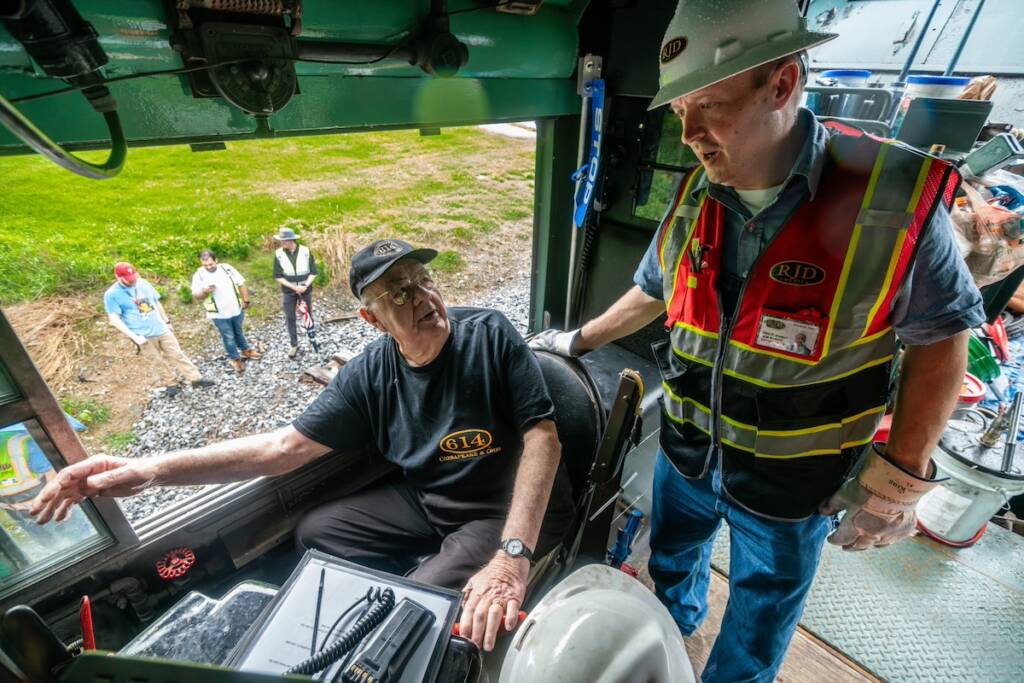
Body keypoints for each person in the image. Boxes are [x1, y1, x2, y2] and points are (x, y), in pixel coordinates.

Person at [530, 1, 985, 680]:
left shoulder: (888, 196)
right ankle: (670, 628)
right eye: (680, 111)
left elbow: (940, 340)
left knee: (761, 611)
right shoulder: (693, 196)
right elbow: (655, 289)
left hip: (792, 485)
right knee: (672, 563)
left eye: (707, 106)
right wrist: (576, 340)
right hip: (685, 455)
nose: (687, 134)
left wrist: (898, 480)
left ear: (780, 83)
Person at [31, 239, 574, 654]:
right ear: (372, 319)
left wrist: (512, 557)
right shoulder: (371, 374)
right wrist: (149, 470)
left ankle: (419, 612)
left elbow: (542, 438)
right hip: (433, 502)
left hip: (505, 514)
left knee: (414, 607)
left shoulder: (489, 334)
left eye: (423, 279)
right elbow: (281, 449)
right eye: (399, 292)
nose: (424, 298)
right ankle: (408, 592)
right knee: (317, 529)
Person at [104, 262, 214, 396]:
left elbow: (156, 302)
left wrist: (167, 321)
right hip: (143, 335)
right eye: (129, 280)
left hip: (161, 328)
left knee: (177, 354)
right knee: (157, 361)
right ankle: (171, 384)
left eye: (134, 277)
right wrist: (136, 338)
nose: (133, 281)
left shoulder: (142, 283)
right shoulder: (111, 294)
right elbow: (114, 320)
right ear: (118, 277)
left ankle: (195, 379)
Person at [191, 250, 261, 373]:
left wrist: (246, 300)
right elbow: (196, 296)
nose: (208, 267)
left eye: (211, 264)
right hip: (218, 313)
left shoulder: (227, 269)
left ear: (216, 260)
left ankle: (245, 350)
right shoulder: (199, 275)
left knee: (238, 331)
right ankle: (235, 358)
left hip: (236, 309)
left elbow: (241, 284)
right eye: (205, 265)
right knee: (228, 336)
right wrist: (205, 291)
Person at [272, 227, 318, 359]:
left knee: (308, 314)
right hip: (288, 291)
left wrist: (304, 285)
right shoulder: (279, 254)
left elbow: (313, 272)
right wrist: (293, 287)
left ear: (291, 240)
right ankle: (294, 344)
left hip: (305, 290)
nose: (281, 243)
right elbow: (278, 276)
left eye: (283, 241)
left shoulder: (305, 251)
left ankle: (312, 338)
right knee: (290, 317)